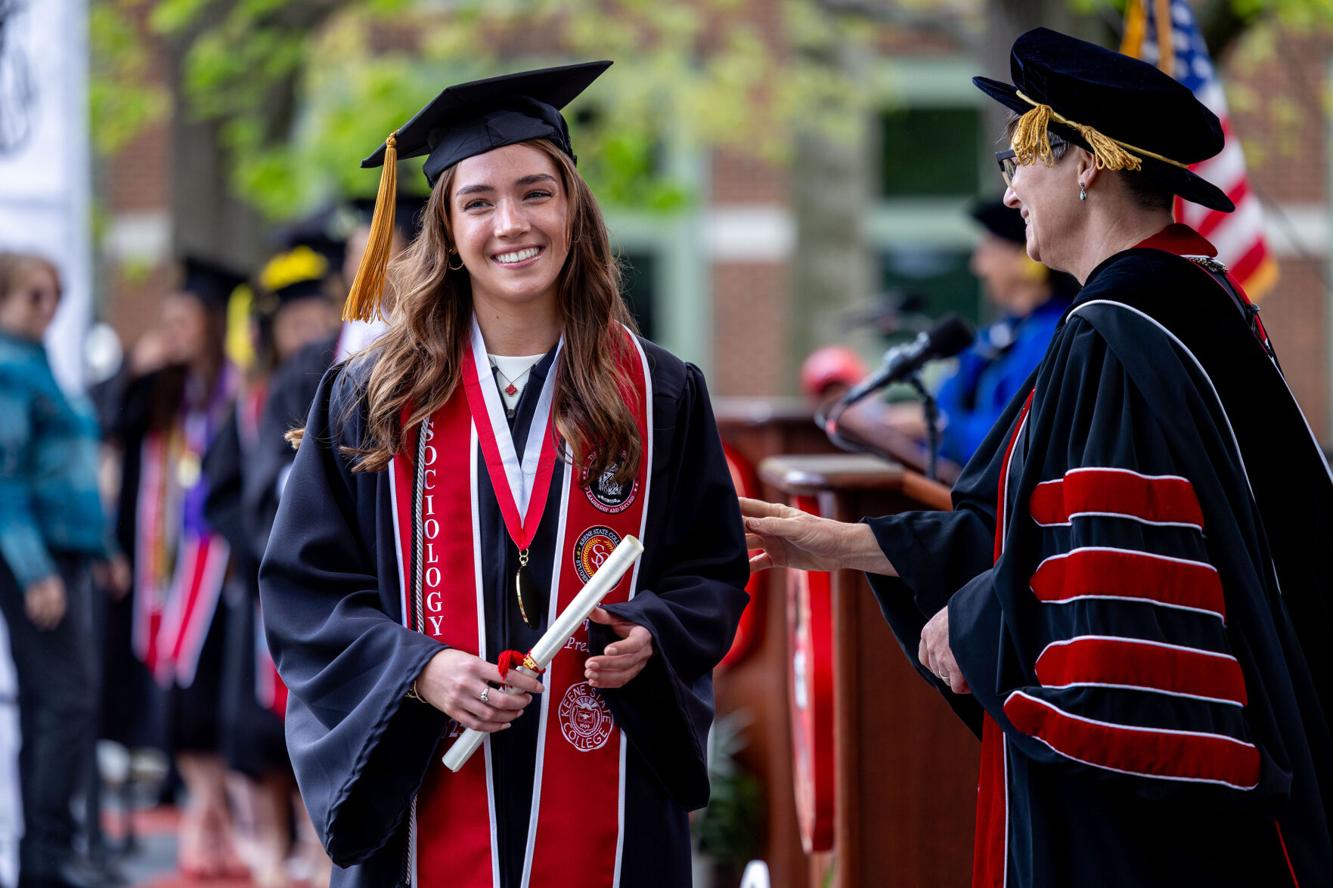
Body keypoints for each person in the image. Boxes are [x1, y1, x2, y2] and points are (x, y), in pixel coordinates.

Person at [741, 28, 1332, 887]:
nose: (1011, 191)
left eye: (1017, 161)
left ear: (1087, 164)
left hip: (1148, 828)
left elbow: (1121, 603)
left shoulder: (1123, 329)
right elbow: (1042, 529)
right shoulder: (1181, 300)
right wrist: (841, 545)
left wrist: (977, 624)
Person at [259, 62, 749, 887]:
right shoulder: (370, 399)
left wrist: (653, 634)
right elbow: (305, 592)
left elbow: (709, 573)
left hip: (609, 792)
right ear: (445, 230)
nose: (511, 224)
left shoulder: (661, 393)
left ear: (573, 209)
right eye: (477, 201)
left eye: (535, 193)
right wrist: (419, 668)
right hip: (426, 790)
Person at [103, 255, 246, 877]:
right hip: (169, 575)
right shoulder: (166, 393)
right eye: (167, 321)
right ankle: (205, 815)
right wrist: (140, 364)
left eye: (183, 319)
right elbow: (113, 420)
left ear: (212, 323)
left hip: (224, 571)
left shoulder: (237, 392)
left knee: (210, 699)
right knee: (180, 703)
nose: (175, 332)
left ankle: (208, 817)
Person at [202, 246, 341, 887]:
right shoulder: (253, 406)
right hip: (263, 589)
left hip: (328, 586)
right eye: (296, 326)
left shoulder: (348, 395)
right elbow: (223, 493)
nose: (309, 336)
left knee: (319, 714)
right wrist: (265, 543)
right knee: (259, 724)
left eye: (319, 324)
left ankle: (318, 849)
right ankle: (268, 844)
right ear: (273, 335)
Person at [0, 253, 120, 888]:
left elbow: (65, 472)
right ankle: (46, 857)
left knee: (62, 703)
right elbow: (5, 483)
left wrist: (103, 551)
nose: (48, 310)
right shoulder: (7, 368)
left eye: (55, 297)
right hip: (36, 559)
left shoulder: (36, 362)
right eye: (33, 298)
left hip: (64, 554)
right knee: (62, 704)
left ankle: (47, 853)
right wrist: (34, 570)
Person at [886, 200, 1077, 464]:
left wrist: (939, 427)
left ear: (1026, 257)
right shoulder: (992, 337)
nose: (978, 266)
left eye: (987, 250)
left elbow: (1019, 435)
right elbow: (945, 407)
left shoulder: (1056, 336)